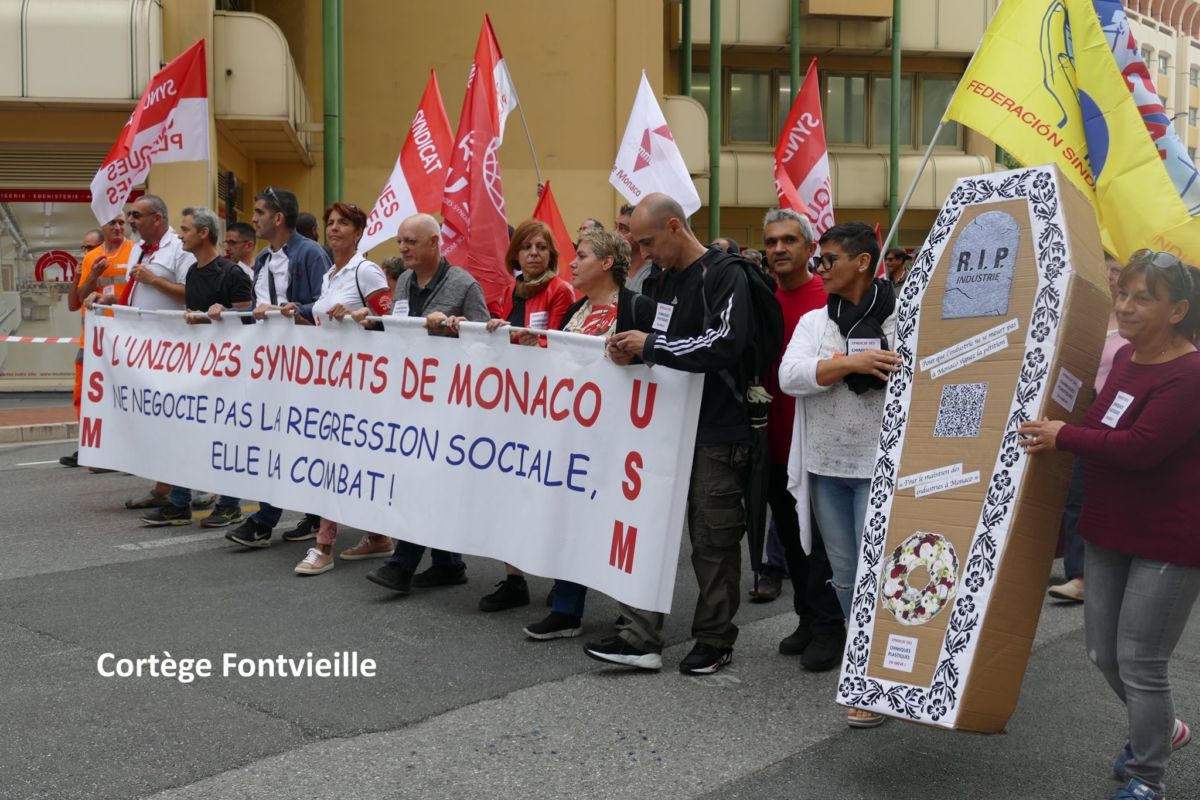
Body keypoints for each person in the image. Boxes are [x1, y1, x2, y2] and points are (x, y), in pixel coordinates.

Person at [1019, 251, 1199, 800]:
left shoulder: (1190, 373)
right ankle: (1162, 728)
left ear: (1178, 311)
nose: (1125, 306)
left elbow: (1142, 448)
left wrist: (1063, 437)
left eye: (1143, 298)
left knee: (1141, 662)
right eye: (1123, 294)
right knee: (1102, 651)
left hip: (1167, 538)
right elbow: (1100, 422)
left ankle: (1148, 775)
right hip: (1108, 527)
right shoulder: (1125, 357)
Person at [587, 193, 752, 675]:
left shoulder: (726, 274)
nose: (642, 253)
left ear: (676, 227)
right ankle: (639, 636)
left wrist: (652, 346)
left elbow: (725, 342)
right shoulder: (659, 279)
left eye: (648, 241)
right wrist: (630, 349)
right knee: (645, 530)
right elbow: (657, 341)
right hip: (659, 428)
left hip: (714, 431)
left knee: (712, 541)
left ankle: (715, 638)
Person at [778, 220, 900, 726]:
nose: (819, 268)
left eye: (828, 260)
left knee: (882, 572)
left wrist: (833, 365)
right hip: (826, 466)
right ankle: (865, 666)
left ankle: (880, 678)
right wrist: (850, 364)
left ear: (863, 262)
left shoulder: (904, 319)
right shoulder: (815, 322)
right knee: (846, 574)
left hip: (883, 467)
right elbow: (790, 377)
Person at [521, 229, 655, 639]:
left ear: (607, 264)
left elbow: (655, 365)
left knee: (618, 521)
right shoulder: (575, 311)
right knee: (570, 516)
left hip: (621, 438)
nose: (572, 264)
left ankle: (629, 609)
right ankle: (566, 608)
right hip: (575, 436)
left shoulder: (638, 308)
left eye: (580, 256)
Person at [362, 214, 490, 595]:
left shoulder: (464, 284)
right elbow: (399, 329)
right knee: (424, 479)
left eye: (410, 242)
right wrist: (371, 322)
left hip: (447, 399)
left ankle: (401, 564)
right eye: (400, 242)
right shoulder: (402, 281)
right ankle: (449, 564)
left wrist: (455, 326)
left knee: (424, 478)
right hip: (408, 395)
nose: (402, 249)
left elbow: (484, 339)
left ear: (435, 243)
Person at [85, 195, 210, 517]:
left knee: (179, 422)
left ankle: (204, 484)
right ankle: (164, 488)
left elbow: (192, 293)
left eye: (136, 215)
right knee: (156, 421)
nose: (129, 221)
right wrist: (108, 297)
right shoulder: (140, 249)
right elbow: (136, 290)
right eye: (130, 215)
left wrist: (154, 279)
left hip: (173, 349)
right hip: (145, 351)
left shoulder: (178, 248)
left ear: (156, 218)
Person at [759, 208, 846, 671]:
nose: (778, 249)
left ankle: (832, 626)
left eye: (789, 240)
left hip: (819, 444)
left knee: (824, 544)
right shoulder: (763, 298)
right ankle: (808, 619)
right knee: (792, 539)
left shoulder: (825, 301)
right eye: (771, 241)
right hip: (773, 442)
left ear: (810, 248)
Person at [478, 219, 578, 612]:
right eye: (526, 248)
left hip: (547, 407)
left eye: (540, 247)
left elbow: (555, 343)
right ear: (515, 254)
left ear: (551, 254)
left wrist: (513, 337)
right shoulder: (507, 290)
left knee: (545, 495)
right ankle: (514, 579)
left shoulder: (561, 291)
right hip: (510, 405)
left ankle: (560, 579)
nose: (533, 254)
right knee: (509, 494)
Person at [223, 187, 332, 546]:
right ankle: (312, 516)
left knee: (286, 441)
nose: (253, 218)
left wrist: (289, 311)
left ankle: (265, 519)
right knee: (277, 441)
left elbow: (323, 307)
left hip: (304, 366)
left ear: (278, 218)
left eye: (259, 212)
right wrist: (225, 314)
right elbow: (260, 309)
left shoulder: (310, 254)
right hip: (272, 365)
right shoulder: (266, 261)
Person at [1049, 255, 1127, 603]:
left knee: (1105, 495)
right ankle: (1080, 575)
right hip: (1080, 413)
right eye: (1106, 267)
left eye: (1117, 271)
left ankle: (1103, 573)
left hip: (1119, 416)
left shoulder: (1131, 321)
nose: (1110, 275)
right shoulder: (1084, 313)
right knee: (1074, 495)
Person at [60, 226, 107, 468]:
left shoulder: (104, 268)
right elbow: (72, 304)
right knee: (81, 398)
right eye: (83, 248)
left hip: (104, 346)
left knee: (104, 401)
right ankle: (86, 445)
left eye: (90, 247)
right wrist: (78, 276)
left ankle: (105, 450)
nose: (85, 252)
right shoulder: (85, 269)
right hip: (85, 344)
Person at [615, 203, 656, 295]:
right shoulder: (612, 269)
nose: (615, 234)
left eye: (623, 229)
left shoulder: (655, 274)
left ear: (640, 234)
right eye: (616, 227)